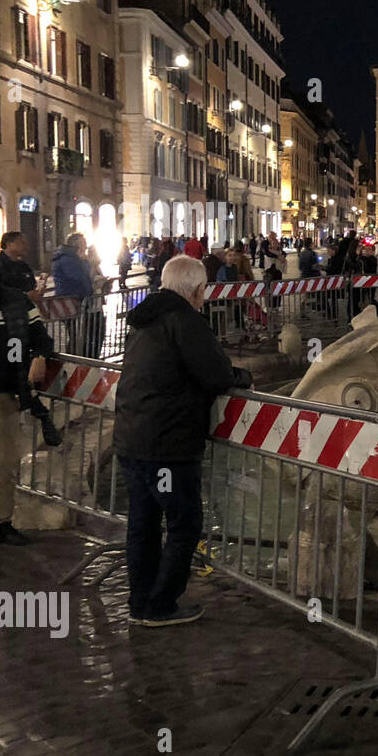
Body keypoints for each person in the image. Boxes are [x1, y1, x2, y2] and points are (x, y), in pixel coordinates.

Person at [112, 256, 252, 624]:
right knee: (185, 524)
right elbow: (216, 374)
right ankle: (160, 606)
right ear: (196, 290)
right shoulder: (185, 321)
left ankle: (140, 602)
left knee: (142, 523)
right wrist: (242, 375)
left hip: (131, 438)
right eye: (203, 291)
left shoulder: (145, 320)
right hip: (166, 444)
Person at [0, 247, 58, 550]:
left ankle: (0, 523)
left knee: (3, 464)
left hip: (5, 395)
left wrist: (41, 356)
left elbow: (41, 336)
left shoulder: (16, 301)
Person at [0, 232, 43, 303]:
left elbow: (31, 284)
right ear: (9, 244)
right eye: (22, 242)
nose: (26, 246)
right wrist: (23, 296)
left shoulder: (23, 266)